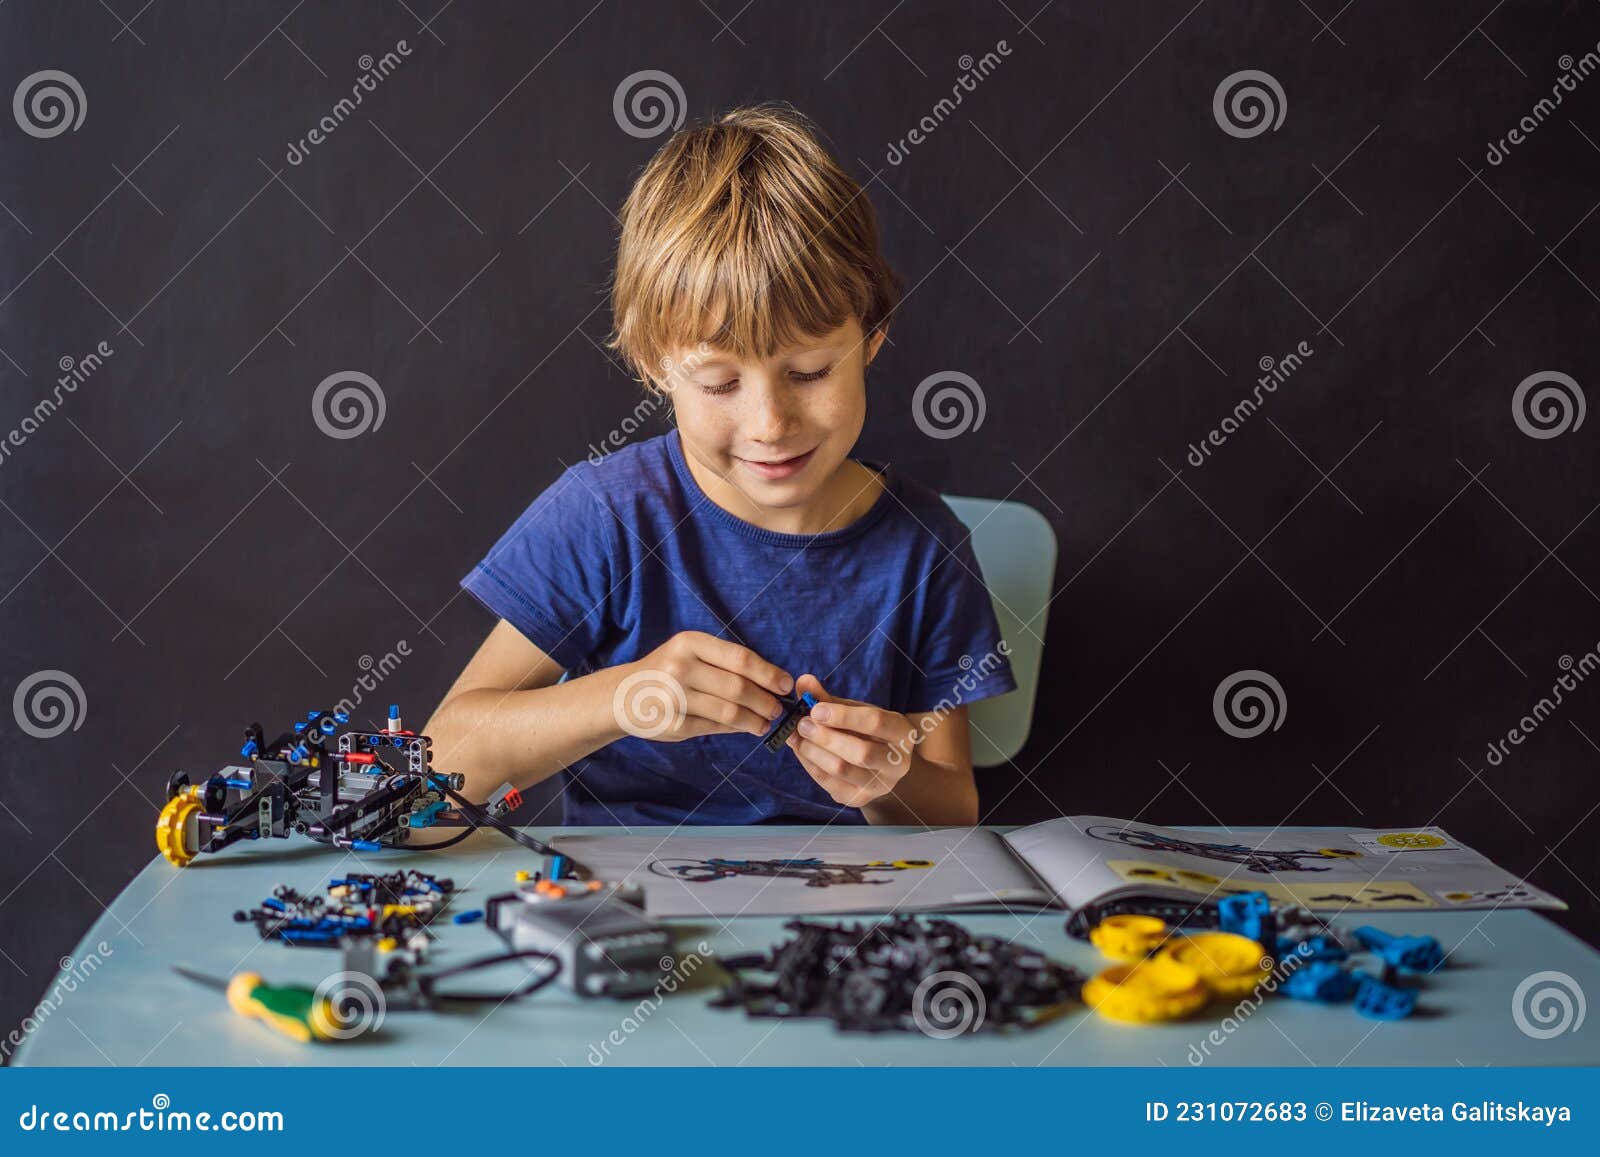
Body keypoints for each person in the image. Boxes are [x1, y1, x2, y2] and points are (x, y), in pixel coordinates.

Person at [425, 103, 1016, 826]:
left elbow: (953, 811)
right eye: (719, 384)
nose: (771, 424)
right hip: (624, 918)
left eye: (809, 372)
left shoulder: (926, 546)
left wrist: (884, 780)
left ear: (871, 337)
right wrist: (624, 696)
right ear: (654, 366)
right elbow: (441, 762)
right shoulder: (604, 517)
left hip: (844, 917)